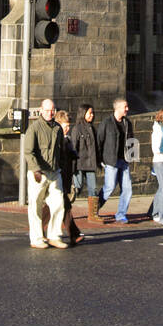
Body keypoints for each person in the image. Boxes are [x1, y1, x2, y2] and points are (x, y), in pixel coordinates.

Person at [23, 99, 68, 249]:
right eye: (47, 110)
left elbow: (61, 150)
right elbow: (28, 152)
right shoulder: (34, 128)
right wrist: (36, 169)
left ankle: (54, 236)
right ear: (41, 110)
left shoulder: (57, 128)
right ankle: (36, 238)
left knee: (58, 204)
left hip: (54, 172)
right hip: (39, 173)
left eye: (52, 110)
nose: (50, 113)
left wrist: (61, 166)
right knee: (35, 206)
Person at [97, 97, 135, 223]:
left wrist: (132, 156)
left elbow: (131, 140)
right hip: (111, 160)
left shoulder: (127, 123)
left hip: (124, 161)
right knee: (109, 187)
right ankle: (94, 209)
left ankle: (121, 214)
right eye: (125, 107)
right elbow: (99, 141)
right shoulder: (106, 123)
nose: (127, 109)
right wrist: (101, 159)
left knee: (127, 188)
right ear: (117, 108)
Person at [55, 110, 84, 245]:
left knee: (53, 208)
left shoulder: (67, 139)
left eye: (68, 126)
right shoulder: (57, 139)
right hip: (57, 176)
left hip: (66, 176)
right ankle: (74, 234)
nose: (67, 129)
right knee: (64, 206)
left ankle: (40, 231)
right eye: (65, 126)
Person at [73, 104, 100, 221]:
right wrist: (73, 165)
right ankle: (63, 210)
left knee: (93, 188)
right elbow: (74, 147)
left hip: (91, 164)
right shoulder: (77, 129)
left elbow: (95, 148)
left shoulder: (92, 128)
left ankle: (93, 215)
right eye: (90, 113)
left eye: (92, 113)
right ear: (83, 113)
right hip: (79, 163)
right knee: (76, 188)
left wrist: (98, 162)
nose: (92, 115)